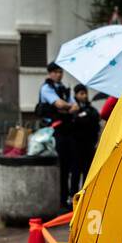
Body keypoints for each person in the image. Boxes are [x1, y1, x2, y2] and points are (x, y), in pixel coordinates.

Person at [37, 63, 78, 208]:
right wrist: (66, 108)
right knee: (61, 167)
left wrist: (65, 108)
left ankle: (70, 198)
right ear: (50, 73)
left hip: (67, 130)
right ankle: (61, 201)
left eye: (60, 72)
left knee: (72, 166)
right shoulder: (47, 88)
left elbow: (75, 107)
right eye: (55, 72)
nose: (59, 75)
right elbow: (59, 104)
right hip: (55, 132)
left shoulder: (64, 89)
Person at [63, 84, 100, 199]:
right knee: (75, 172)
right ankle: (73, 195)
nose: (84, 96)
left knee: (87, 171)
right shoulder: (72, 109)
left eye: (85, 93)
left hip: (88, 145)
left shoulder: (90, 109)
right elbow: (70, 125)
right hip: (76, 146)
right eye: (81, 94)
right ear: (76, 95)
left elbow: (94, 120)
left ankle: (86, 196)